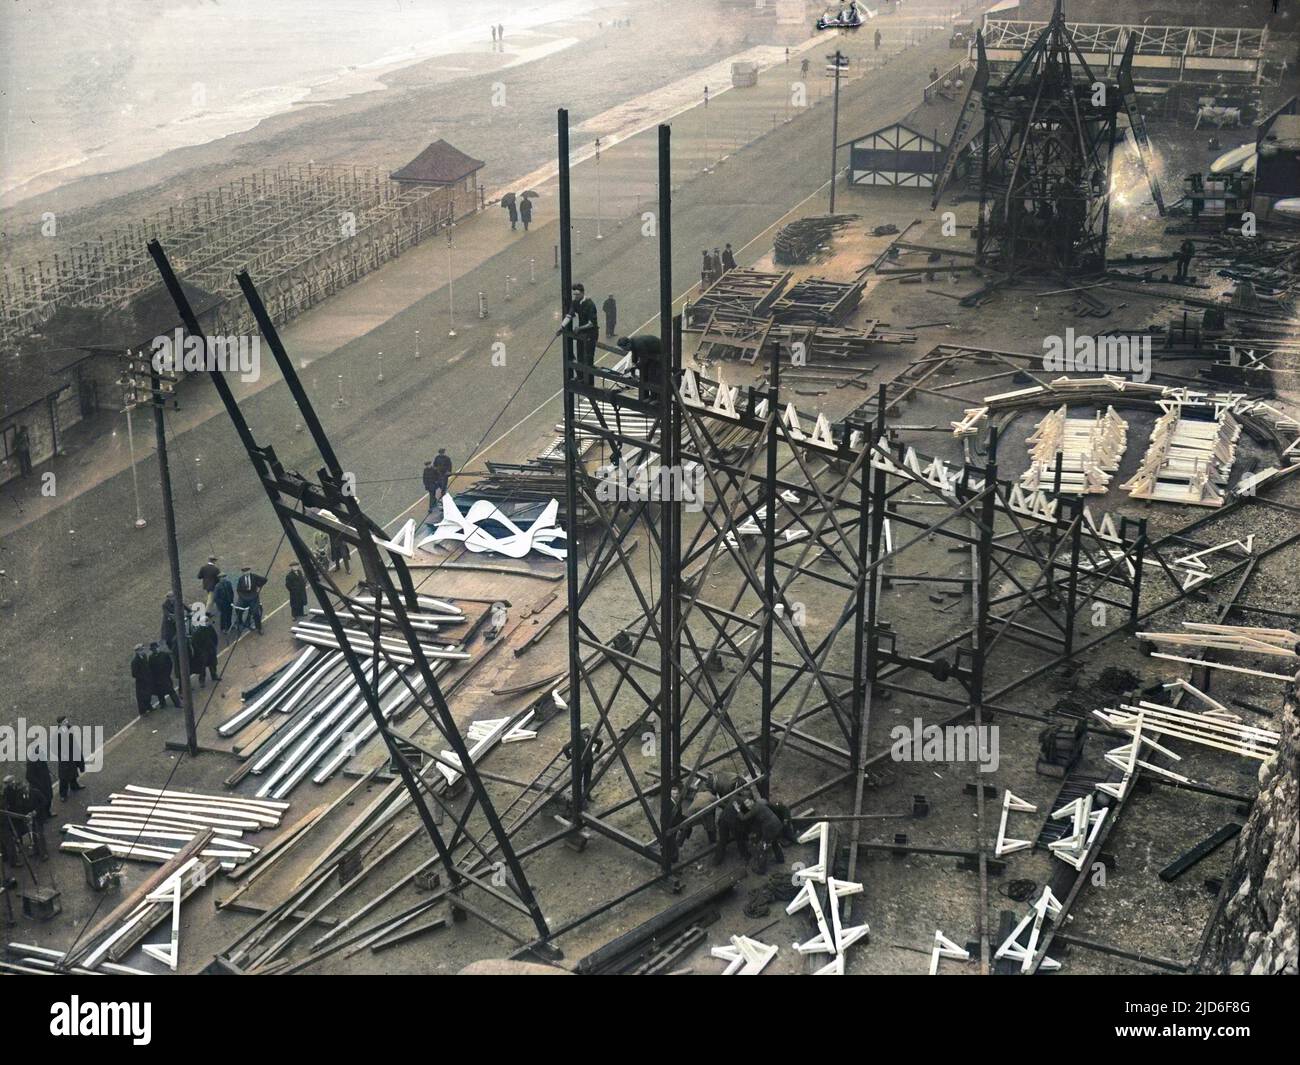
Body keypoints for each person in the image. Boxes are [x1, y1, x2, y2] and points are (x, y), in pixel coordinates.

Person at [564, 283, 599, 384]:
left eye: (577, 294)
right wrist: (562, 326)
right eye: (574, 295)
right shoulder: (575, 302)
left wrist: (579, 328)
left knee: (588, 358)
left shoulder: (590, 304)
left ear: (583, 293)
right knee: (580, 356)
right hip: (582, 333)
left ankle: (589, 381)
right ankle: (581, 377)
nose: (576, 297)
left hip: (591, 334)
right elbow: (570, 314)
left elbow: (592, 323)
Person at [562, 726, 603, 800]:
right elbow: (565, 748)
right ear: (582, 732)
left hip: (589, 763)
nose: (589, 732)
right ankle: (577, 798)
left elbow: (600, 742)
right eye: (587, 731)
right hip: (579, 764)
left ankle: (587, 796)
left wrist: (596, 751)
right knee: (578, 781)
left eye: (588, 731)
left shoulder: (590, 737)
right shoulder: (576, 739)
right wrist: (571, 757)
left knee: (587, 780)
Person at [55, 716, 85, 800]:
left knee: (73, 770)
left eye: (66, 720)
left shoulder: (69, 728)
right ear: (60, 723)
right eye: (64, 721)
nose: (66, 722)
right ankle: (63, 794)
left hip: (72, 753)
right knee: (64, 777)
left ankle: (74, 785)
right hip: (65, 757)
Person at [25, 742, 53, 821]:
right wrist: (38, 784)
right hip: (39, 785)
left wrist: (48, 774)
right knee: (42, 801)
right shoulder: (31, 762)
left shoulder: (41, 755)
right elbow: (28, 776)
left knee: (50, 797)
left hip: (46, 781)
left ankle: (48, 813)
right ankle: (43, 817)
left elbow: (45, 766)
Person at [236, 565, 268, 634]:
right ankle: (241, 622)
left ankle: (259, 628)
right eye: (244, 571)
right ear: (243, 572)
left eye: (247, 571)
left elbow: (264, 580)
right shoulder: (241, 579)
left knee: (256, 613)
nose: (246, 572)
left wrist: (259, 585)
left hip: (253, 597)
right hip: (244, 597)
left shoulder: (254, 576)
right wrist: (242, 597)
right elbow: (238, 590)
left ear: (249, 571)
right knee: (238, 608)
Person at [191, 613, 220, 686]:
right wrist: (200, 651)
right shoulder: (197, 632)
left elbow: (215, 637)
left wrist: (214, 646)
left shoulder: (210, 628)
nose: (207, 622)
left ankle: (214, 675)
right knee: (202, 667)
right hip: (203, 652)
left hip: (211, 649)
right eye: (205, 621)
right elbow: (195, 643)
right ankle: (202, 680)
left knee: (213, 664)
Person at [150, 641, 180, 707]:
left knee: (171, 690)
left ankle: (177, 703)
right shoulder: (151, 658)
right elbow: (151, 668)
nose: (155, 649)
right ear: (152, 650)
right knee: (159, 692)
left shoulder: (164, 655)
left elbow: (170, 664)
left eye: (156, 648)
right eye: (154, 649)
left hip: (165, 676)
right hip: (157, 677)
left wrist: (167, 673)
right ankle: (162, 704)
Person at [212, 570, 235, 640]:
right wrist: (220, 604)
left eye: (224, 577)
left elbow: (231, 592)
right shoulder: (217, 586)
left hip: (229, 602)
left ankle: (229, 625)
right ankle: (223, 628)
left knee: (229, 614)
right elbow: (216, 597)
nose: (224, 578)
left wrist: (231, 600)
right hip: (222, 604)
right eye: (222, 577)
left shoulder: (228, 583)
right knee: (223, 616)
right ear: (220, 578)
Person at [131, 643, 153, 715]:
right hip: (141, 682)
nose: (143, 650)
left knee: (148, 694)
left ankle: (149, 706)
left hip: (147, 679)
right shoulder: (135, 661)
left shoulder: (144, 656)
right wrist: (143, 677)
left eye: (142, 649)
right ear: (137, 651)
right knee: (141, 697)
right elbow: (134, 674)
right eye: (141, 650)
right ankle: (142, 711)